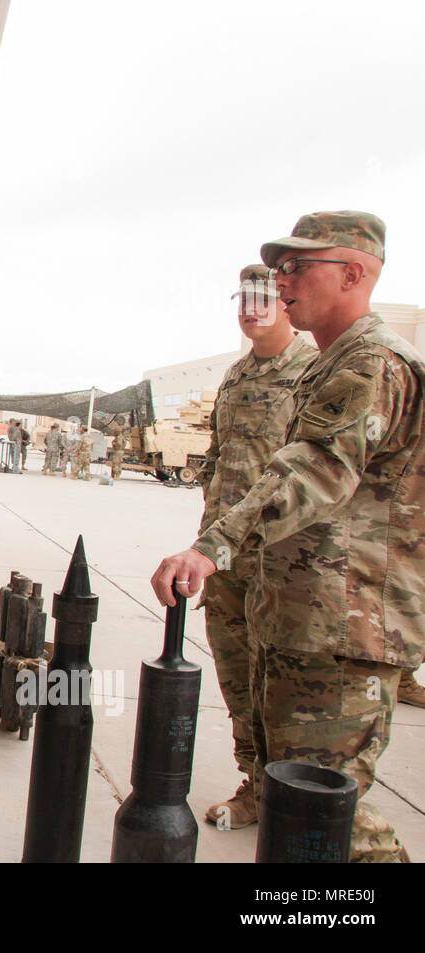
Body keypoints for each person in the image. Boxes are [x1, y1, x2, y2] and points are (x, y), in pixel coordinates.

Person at [152, 211, 424, 862]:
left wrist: (212, 546)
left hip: (344, 629)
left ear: (354, 274)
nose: (283, 280)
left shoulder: (371, 361)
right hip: (304, 619)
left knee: (337, 814)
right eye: (279, 268)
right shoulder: (332, 362)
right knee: (298, 803)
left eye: (299, 267)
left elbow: (313, 470)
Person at [196, 264, 318, 829]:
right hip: (225, 558)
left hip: (284, 559)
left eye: (262, 296)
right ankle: (256, 784)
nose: (250, 307)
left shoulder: (314, 372)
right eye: (242, 298)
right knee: (238, 674)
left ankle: (298, 792)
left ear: (285, 300)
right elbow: (218, 460)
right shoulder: (237, 376)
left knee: (286, 685)